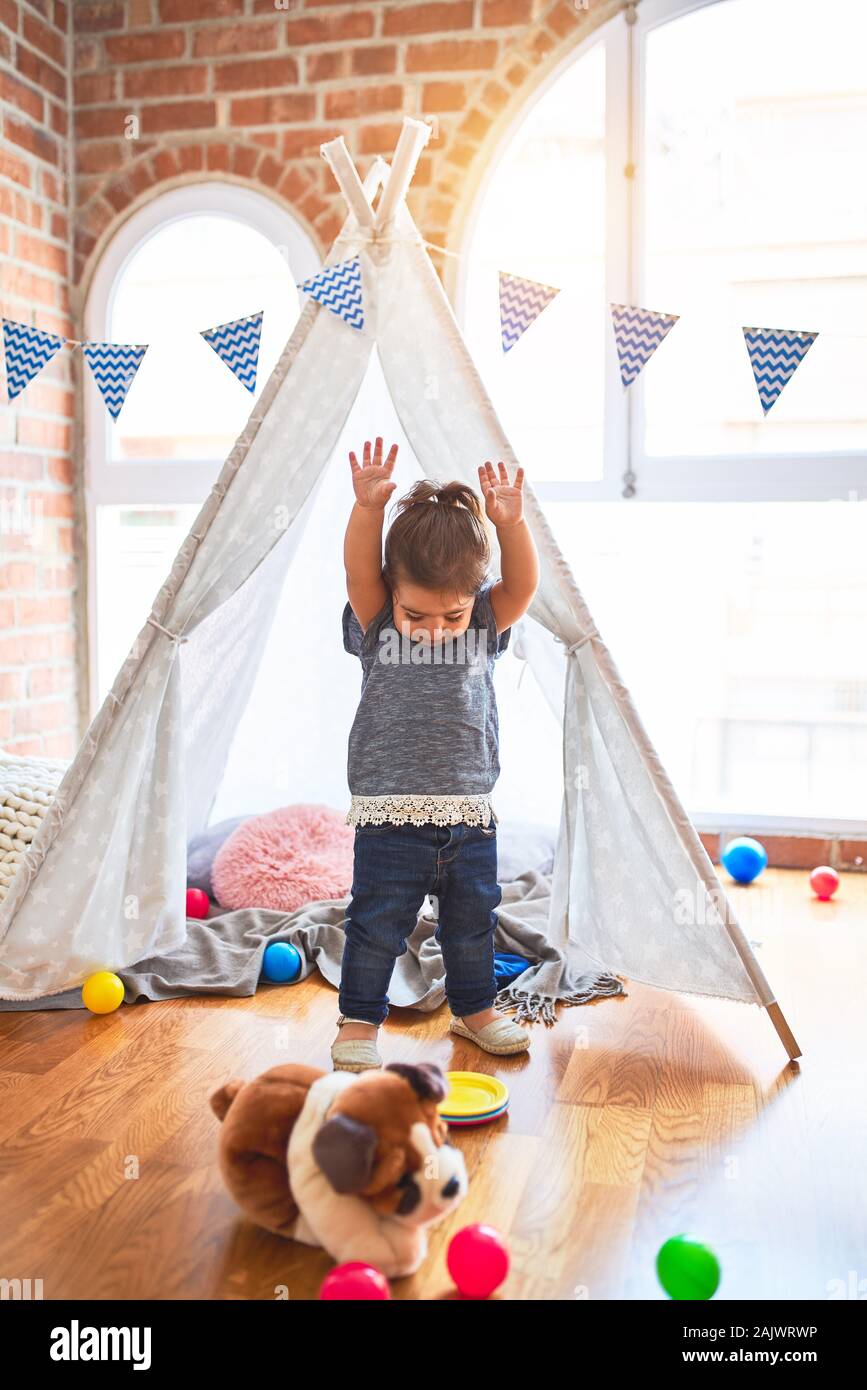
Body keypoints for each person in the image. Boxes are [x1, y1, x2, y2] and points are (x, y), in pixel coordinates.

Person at [332, 437, 540, 1073]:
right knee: (376, 922)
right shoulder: (378, 625)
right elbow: (358, 572)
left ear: (473, 599)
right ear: (394, 592)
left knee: (473, 919)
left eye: (449, 615)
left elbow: (524, 583)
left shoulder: (482, 623)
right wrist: (368, 510)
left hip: (469, 813)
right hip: (389, 814)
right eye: (416, 612)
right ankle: (360, 1020)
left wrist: (512, 524)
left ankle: (474, 1009)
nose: (433, 629)